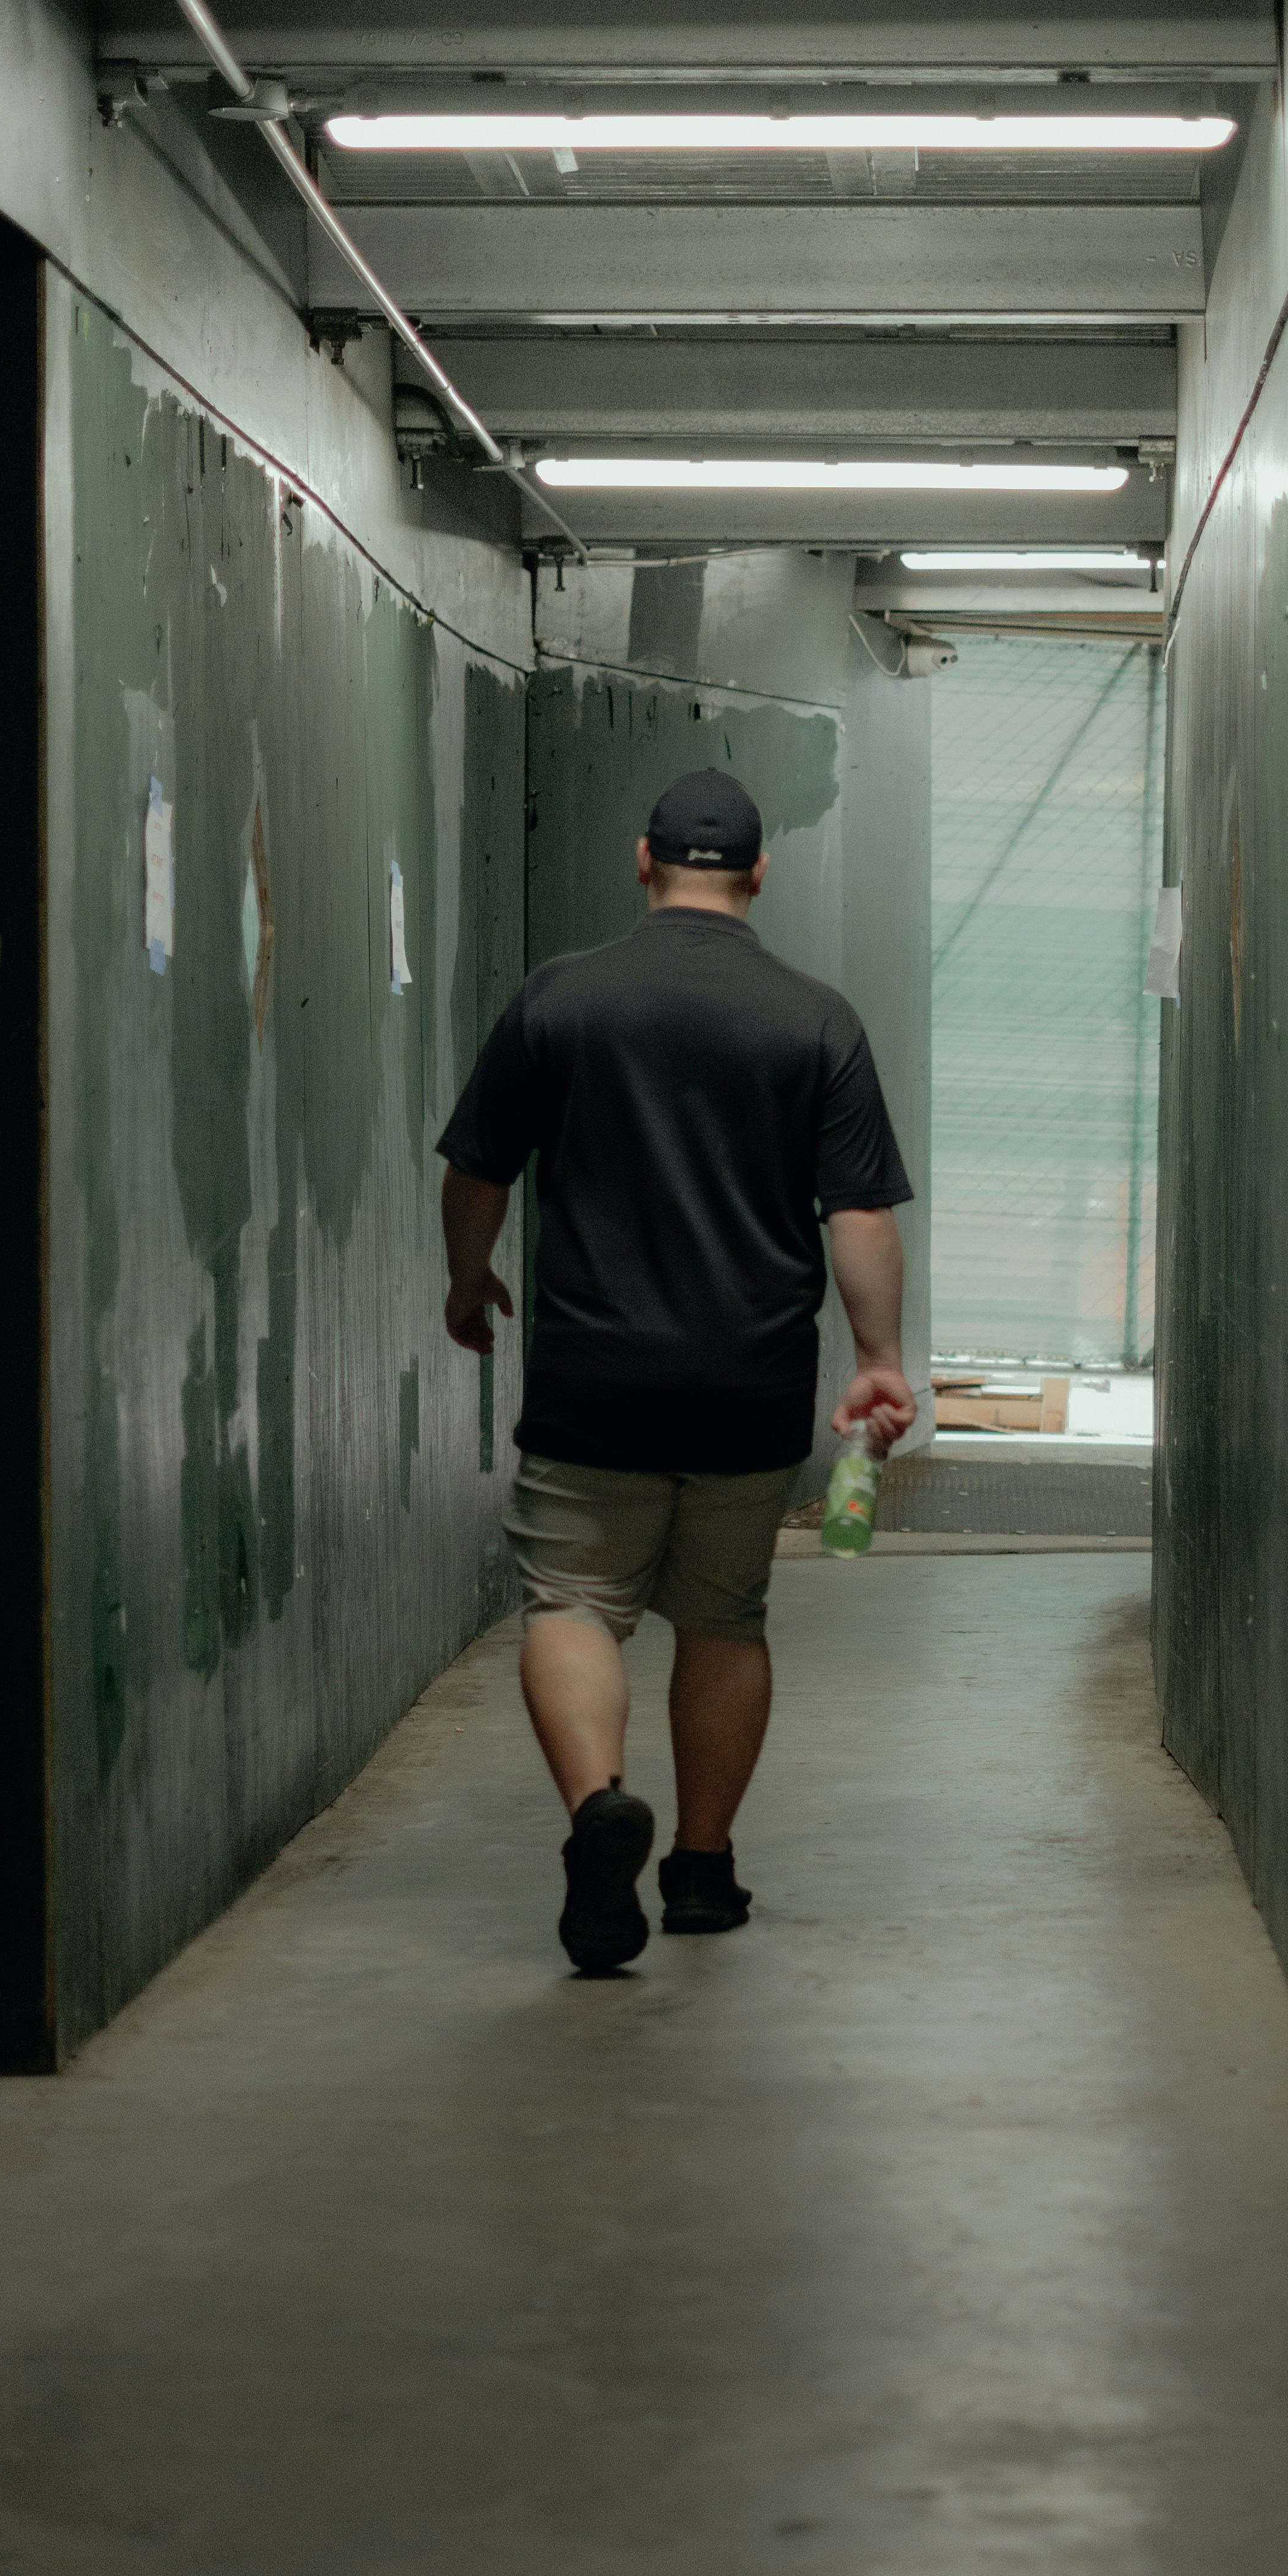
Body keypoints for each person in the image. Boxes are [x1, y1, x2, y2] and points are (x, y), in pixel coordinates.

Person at [436, 767, 917, 1974]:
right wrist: (875, 1360)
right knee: (722, 1619)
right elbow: (855, 1211)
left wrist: (468, 1275)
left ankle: (600, 1808)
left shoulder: (562, 999)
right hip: (747, 1381)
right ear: (759, 872)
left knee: (571, 1602)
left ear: (641, 860)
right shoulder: (818, 1018)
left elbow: (478, 1166)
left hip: (594, 1372)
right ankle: (700, 1869)